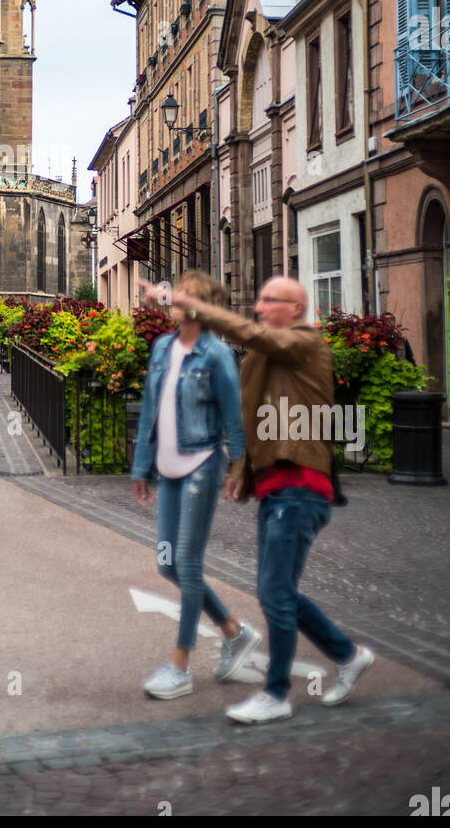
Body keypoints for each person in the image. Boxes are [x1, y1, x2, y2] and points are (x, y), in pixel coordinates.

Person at [159, 275, 374, 724]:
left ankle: (276, 693)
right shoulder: (259, 358)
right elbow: (250, 420)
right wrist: (240, 471)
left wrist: (193, 307)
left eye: (269, 300)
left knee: (275, 592)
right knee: (278, 592)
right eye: (257, 300)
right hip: (276, 488)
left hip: (302, 487)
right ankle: (348, 655)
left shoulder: (307, 344)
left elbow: (250, 334)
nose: (258, 307)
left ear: (296, 308)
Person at [131, 271, 259, 700]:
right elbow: (150, 409)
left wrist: (239, 466)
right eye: (178, 290)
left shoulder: (217, 355)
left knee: (186, 563)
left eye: (188, 293)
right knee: (167, 565)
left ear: (202, 307)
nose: (178, 297)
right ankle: (234, 632)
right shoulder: (163, 347)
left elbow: (233, 417)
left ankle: (180, 666)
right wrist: (141, 467)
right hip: (168, 471)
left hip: (202, 465)